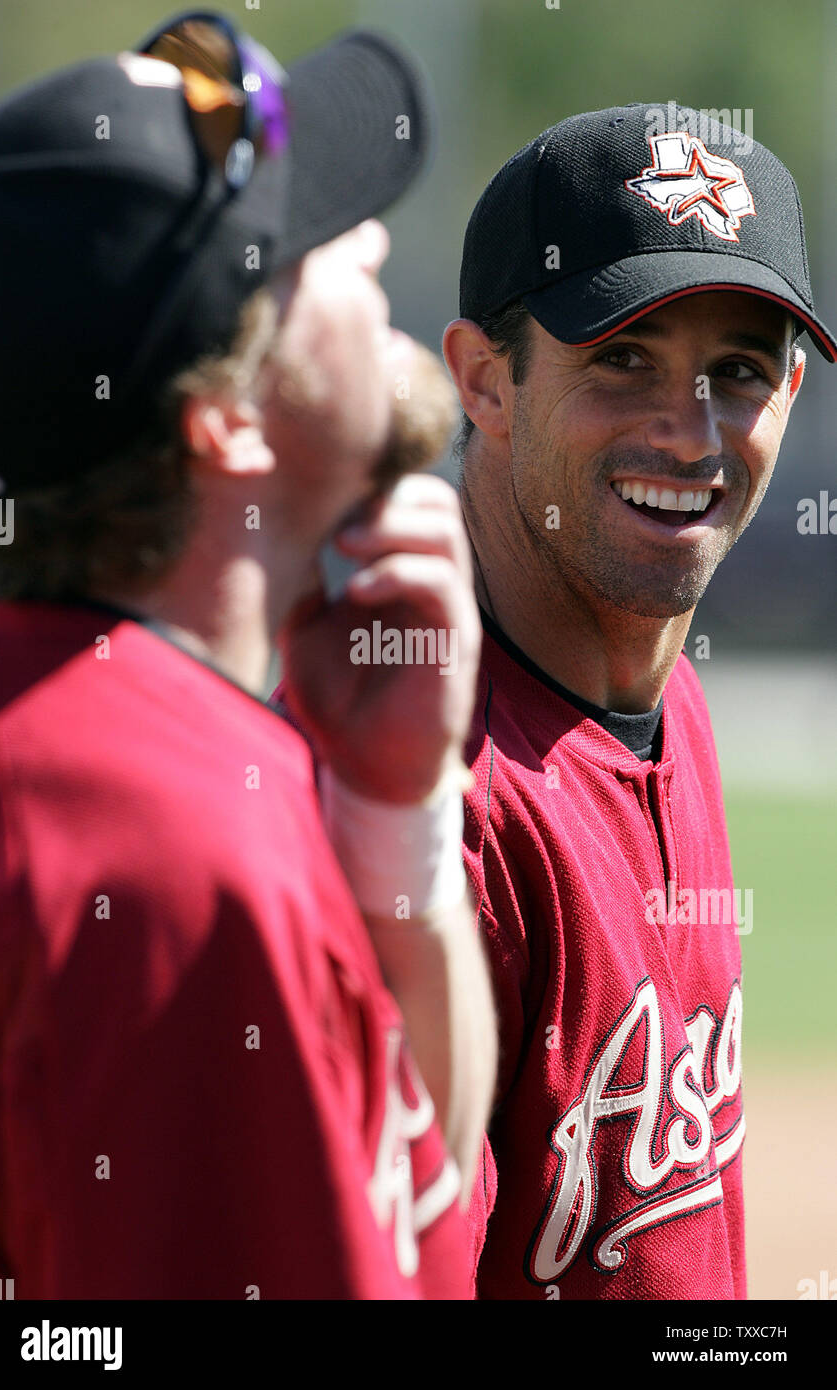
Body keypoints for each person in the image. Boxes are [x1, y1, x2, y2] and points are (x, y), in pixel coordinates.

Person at [0, 13, 496, 1300]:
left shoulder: (93, 737)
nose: (371, 240)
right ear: (225, 419)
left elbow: (402, 1188)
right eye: (310, 236)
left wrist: (391, 815)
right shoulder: (166, 855)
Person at [442, 102, 836, 1300]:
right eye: (620, 356)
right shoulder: (429, 796)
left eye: (737, 371)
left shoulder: (666, 693)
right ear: (483, 381)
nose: (689, 433)